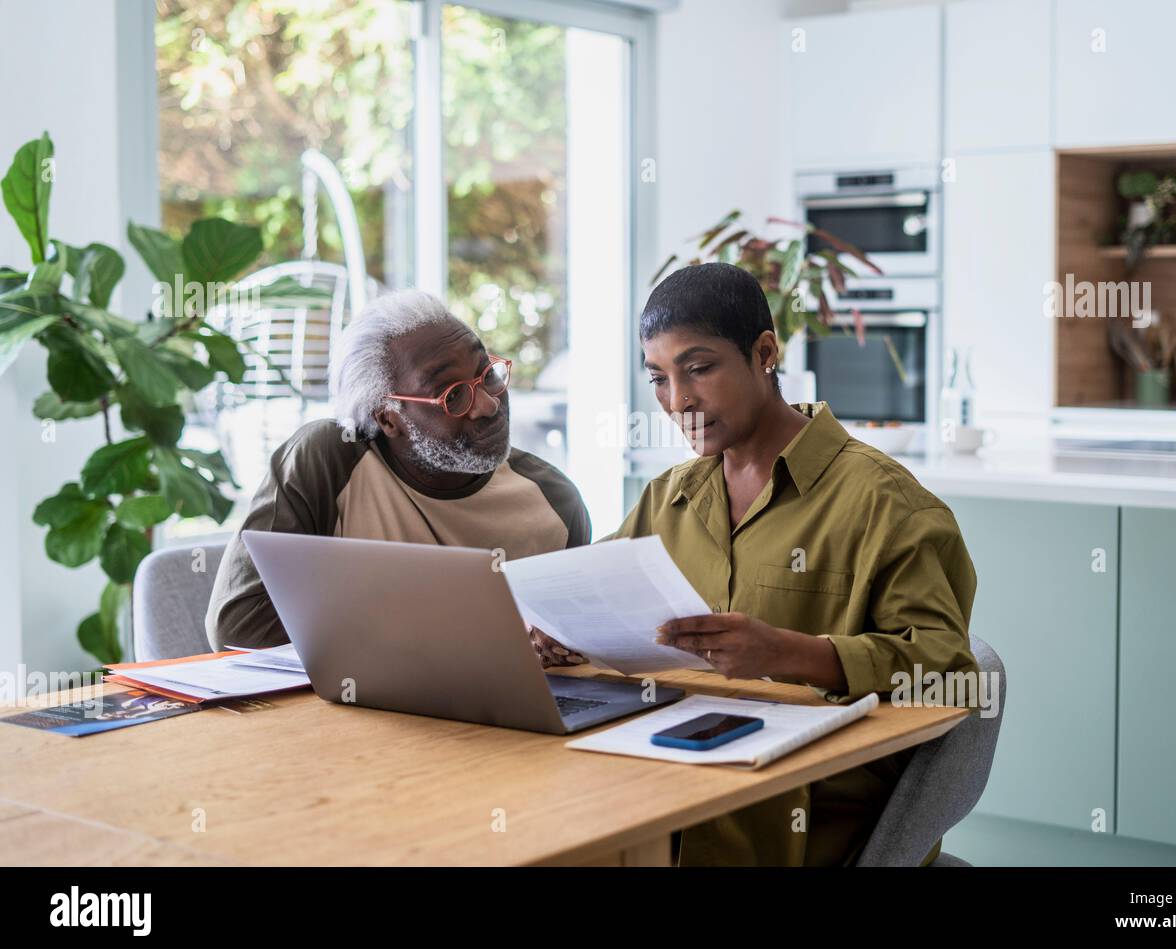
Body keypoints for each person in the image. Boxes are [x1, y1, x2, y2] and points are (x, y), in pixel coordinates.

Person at [535, 262, 978, 866]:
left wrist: (791, 653)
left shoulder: (885, 503)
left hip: (799, 816)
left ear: (764, 352)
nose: (678, 400)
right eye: (659, 378)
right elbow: (598, 593)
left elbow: (950, 674)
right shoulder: (669, 497)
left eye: (699, 368)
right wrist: (559, 634)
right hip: (671, 780)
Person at [205, 289, 590, 651]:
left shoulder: (554, 501)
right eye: (453, 395)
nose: (488, 405)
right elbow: (239, 628)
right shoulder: (327, 462)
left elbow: (579, 650)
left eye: (487, 373)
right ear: (388, 419)